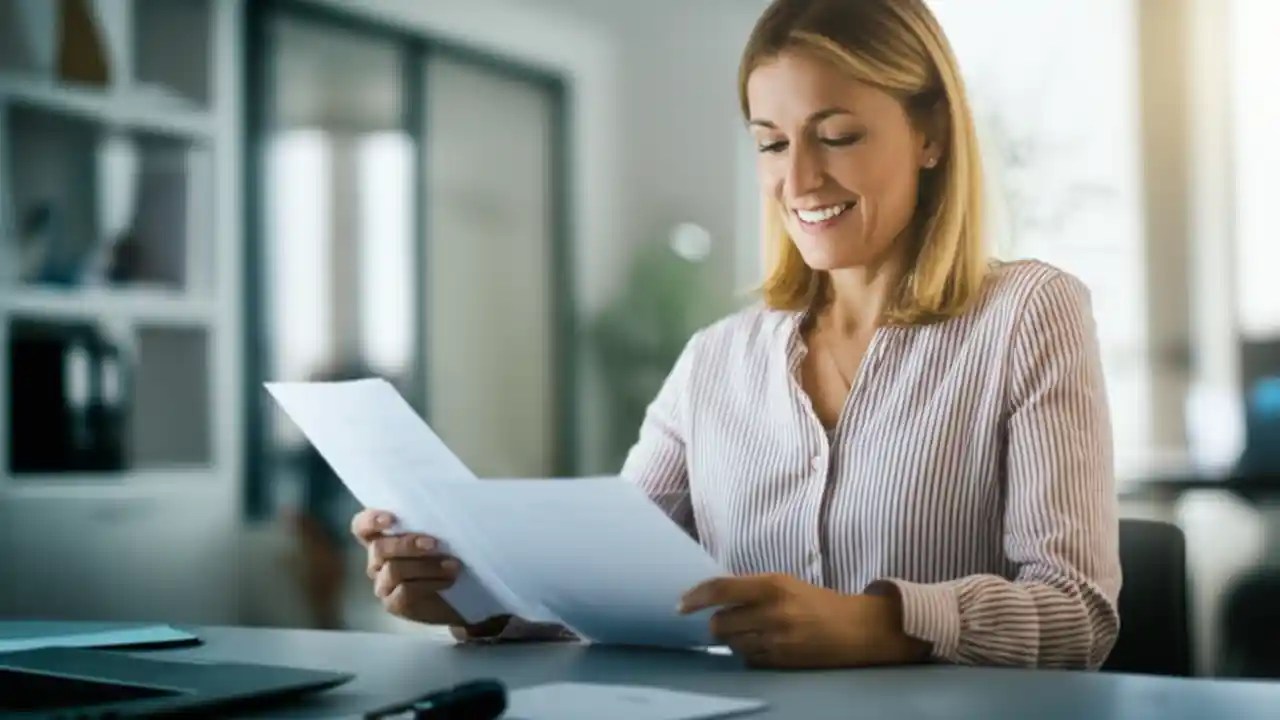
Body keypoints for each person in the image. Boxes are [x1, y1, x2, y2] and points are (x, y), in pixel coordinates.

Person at [350, 0, 1121, 670]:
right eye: (773, 142)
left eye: (839, 134)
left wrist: (875, 624)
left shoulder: (1028, 314)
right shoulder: (715, 360)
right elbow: (610, 583)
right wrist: (472, 601)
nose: (800, 180)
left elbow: (1076, 614)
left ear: (930, 137)